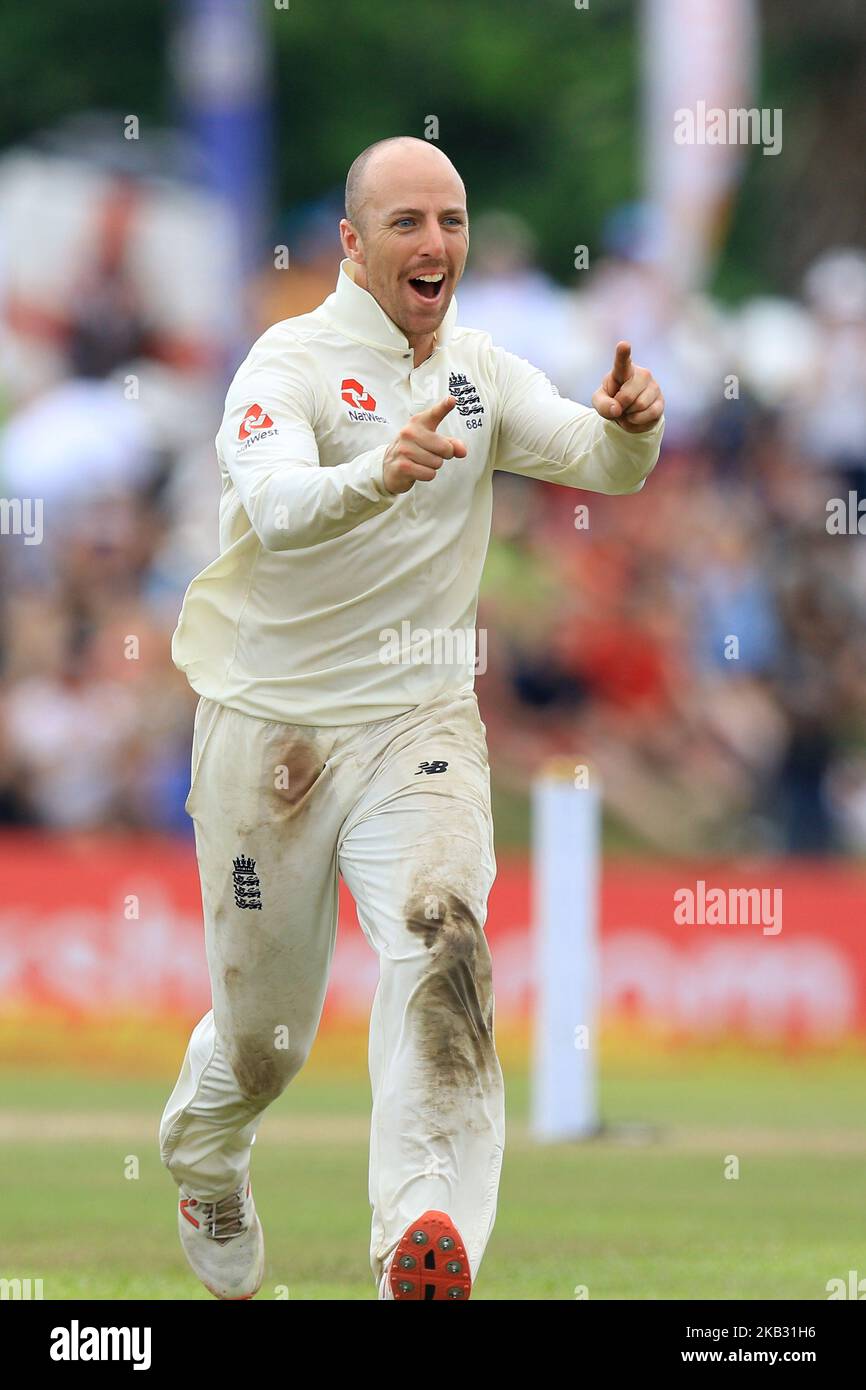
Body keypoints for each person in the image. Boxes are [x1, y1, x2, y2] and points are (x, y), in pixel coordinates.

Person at [158, 135, 664, 1301]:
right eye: (405, 222)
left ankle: (418, 1237)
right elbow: (275, 506)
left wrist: (632, 426)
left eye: (450, 218)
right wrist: (372, 475)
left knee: (443, 942)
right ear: (349, 242)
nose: (434, 243)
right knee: (263, 1045)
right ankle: (205, 1156)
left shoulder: (477, 367)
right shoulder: (283, 363)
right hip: (268, 734)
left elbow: (597, 459)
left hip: (417, 720)